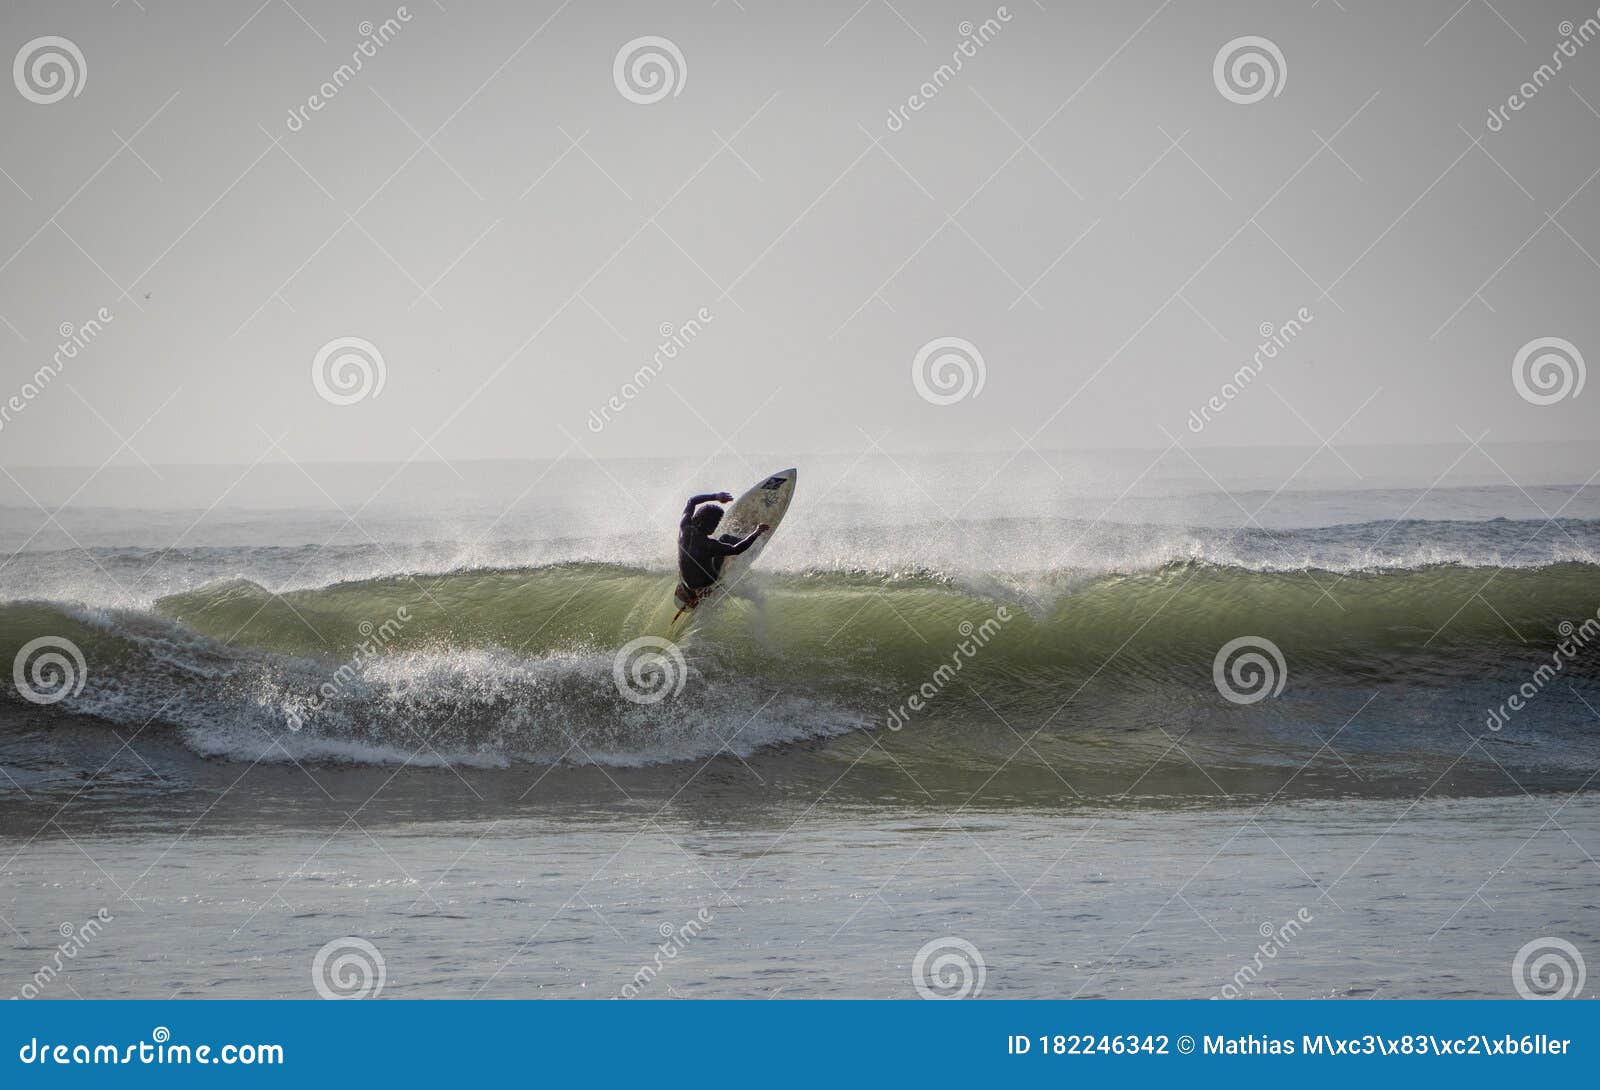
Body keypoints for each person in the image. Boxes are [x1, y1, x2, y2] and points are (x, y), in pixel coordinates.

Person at [675, 491, 769, 614]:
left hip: (687, 581)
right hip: (708, 581)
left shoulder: (685, 526)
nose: (715, 527)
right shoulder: (709, 545)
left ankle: (691, 591)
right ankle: (748, 536)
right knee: (725, 538)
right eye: (716, 523)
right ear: (709, 525)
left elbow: (692, 500)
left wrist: (715, 497)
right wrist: (756, 533)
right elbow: (736, 549)